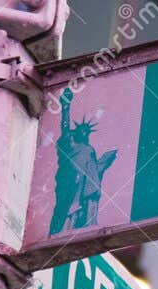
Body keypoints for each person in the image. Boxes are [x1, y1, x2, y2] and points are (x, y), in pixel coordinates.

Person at [49, 86, 118, 234]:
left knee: (82, 217)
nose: (85, 134)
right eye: (83, 131)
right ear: (76, 132)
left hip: (86, 191)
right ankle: (60, 232)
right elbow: (65, 125)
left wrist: (105, 161)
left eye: (87, 133)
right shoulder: (69, 142)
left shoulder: (89, 150)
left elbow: (94, 170)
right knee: (65, 211)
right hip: (69, 183)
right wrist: (66, 105)